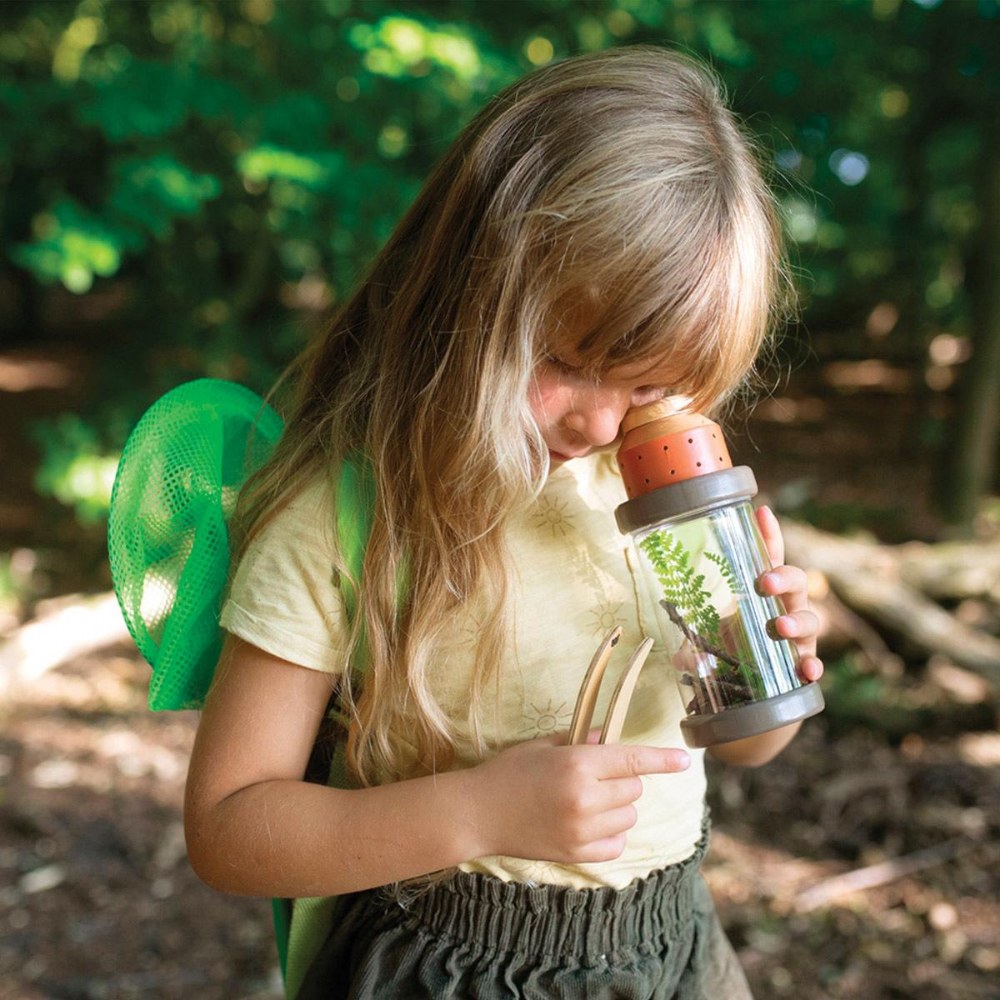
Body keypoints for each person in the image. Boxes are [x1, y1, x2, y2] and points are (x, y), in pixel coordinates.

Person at [183, 45, 824, 999]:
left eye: (649, 383)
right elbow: (230, 827)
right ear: (466, 302)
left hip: (672, 948)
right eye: (567, 360)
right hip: (450, 968)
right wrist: (474, 813)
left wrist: (763, 663)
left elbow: (741, 743)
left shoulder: (649, 491)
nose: (602, 423)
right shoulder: (346, 520)